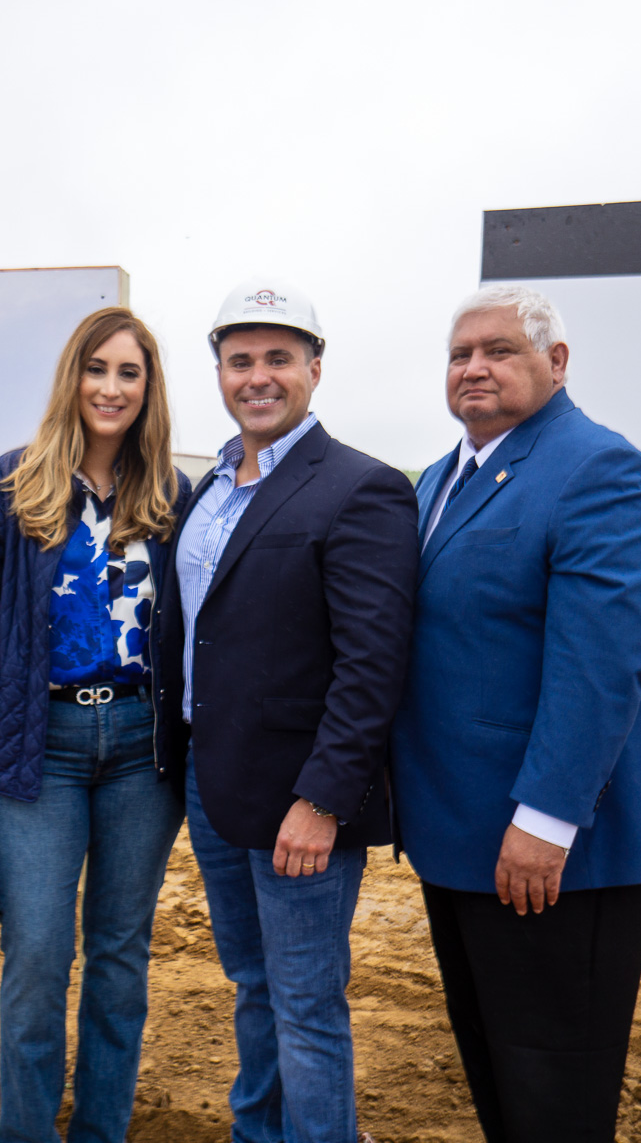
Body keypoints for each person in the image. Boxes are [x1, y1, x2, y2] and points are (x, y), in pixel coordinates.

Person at [390, 284, 641, 1142]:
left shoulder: (602, 471)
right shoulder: (441, 479)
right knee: (496, 1066)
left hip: (558, 854)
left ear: (556, 364)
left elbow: (599, 668)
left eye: (499, 351)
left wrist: (548, 820)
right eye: (460, 355)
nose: (474, 368)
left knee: (554, 1087)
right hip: (458, 837)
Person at [158, 279, 419, 1143]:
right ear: (221, 373)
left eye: (278, 358)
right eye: (240, 361)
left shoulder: (361, 488)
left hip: (298, 800)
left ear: (314, 368)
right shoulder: (206, 490)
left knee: (307, 1002)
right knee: (254, 984)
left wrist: (322, 801)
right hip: (211, 780)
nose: (257, 377)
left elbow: (372, 664)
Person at [0, 305, 192, 1143]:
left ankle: (101, 1131)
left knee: (120, 956)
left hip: (141, 754)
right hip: (35, 748)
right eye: (97, 368)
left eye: (130, 372)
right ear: (71, 378)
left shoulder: (174, 493)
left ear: (149, 388)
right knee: (39, 956)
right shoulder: (15, 482)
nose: (111, 387)